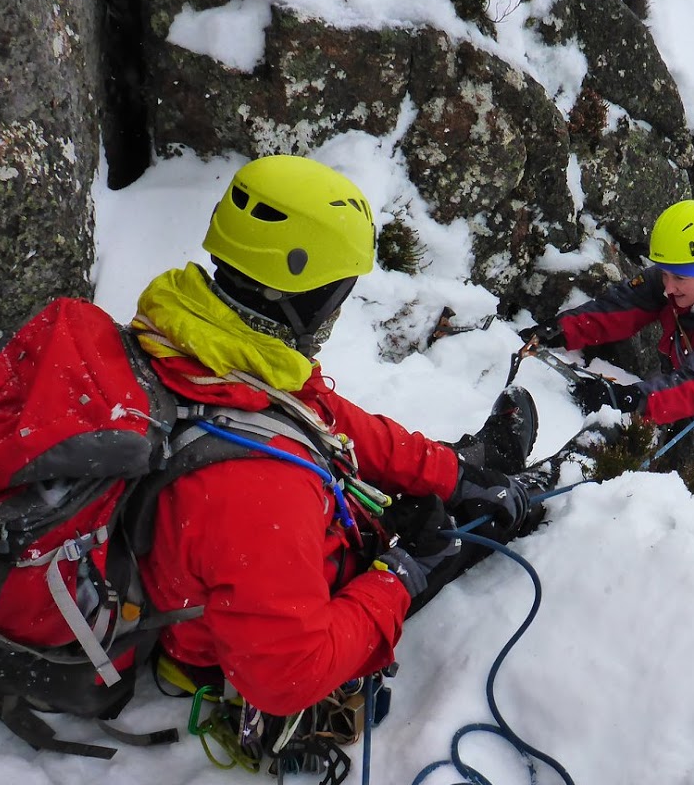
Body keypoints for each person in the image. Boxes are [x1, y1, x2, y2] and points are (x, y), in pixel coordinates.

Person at [130, 154, 540, 719]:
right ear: (310, 298)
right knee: (440, 538)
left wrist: (450, 473)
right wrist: (400, 574)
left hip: (229, 560)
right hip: (240, 629)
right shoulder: (259, 487)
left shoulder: (196, 338)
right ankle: (503, 504)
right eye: (340, 291)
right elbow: (289, 675)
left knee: (428, 497)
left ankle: (472, 464)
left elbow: (318, 416)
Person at [519, 199, 694, 542]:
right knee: (678, 474)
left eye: (679, 278)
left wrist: (627, 398)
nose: (667, 287)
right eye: (664, 273)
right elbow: (621, 307)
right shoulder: (683, 274)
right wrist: (561, 330)